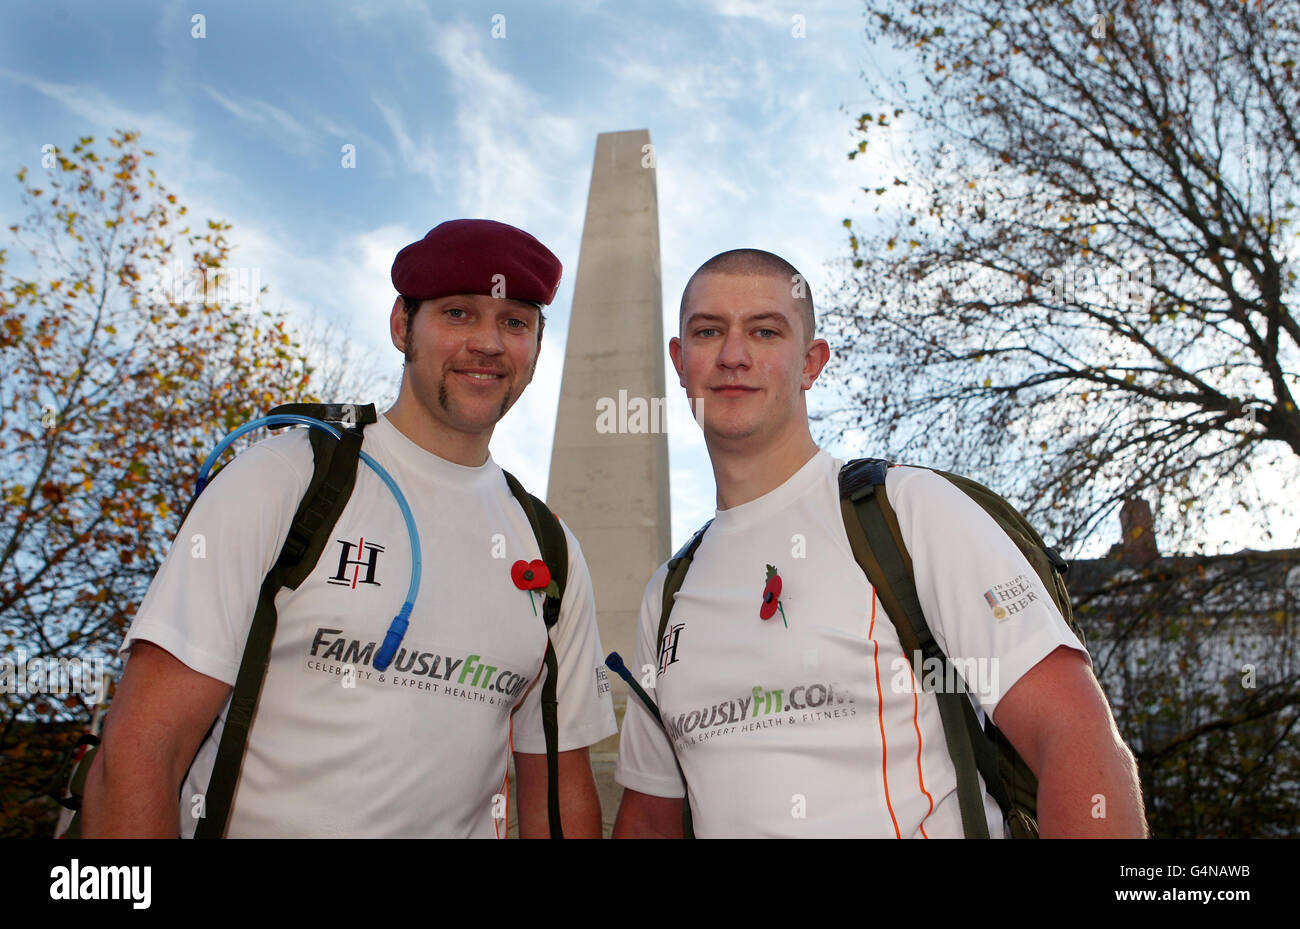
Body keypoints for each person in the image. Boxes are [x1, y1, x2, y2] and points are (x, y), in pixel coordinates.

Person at [82, 219, 617, 838]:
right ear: (401, 326)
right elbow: (142, 749)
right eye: (458, 314)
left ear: (537, 346)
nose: (489, 344)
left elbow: (560, 790)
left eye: (515, 322)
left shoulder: (551, 550)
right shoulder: (286, 478)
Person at [612, 248, 1147, 838]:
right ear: (680, 361)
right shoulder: (667, 594)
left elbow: (1073, 735)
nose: (734, 355)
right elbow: (648, 817)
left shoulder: (912, 511)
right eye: (709, 331)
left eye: (765, 331)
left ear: (811, 363)